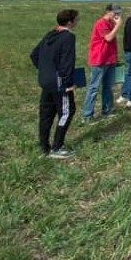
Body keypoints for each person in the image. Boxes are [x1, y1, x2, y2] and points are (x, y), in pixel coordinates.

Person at [30, 9, 79, 159]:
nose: (78, 22)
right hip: (59, 83)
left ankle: (44, 147)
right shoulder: (68, 37)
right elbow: (67, 62)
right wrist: (68, 83)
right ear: (70, 22)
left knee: (46, 114)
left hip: (46, 82)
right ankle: (57, 147)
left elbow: (34, 55)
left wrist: (45, 70)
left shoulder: (50, 35)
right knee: (67, 111)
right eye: (77, 19)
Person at [83, 4, 122, 123]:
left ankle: (107, 110)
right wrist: (118, 25)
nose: (117, 15)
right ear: (108, 11)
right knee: (94, 87)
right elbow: (108, 38)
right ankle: (87, 115)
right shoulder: (101, 23)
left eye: (119, 13)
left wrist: (115, 57)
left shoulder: (111, 23)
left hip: (110, 59)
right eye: (115, 13)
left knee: (108, 86)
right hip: (100, 59)